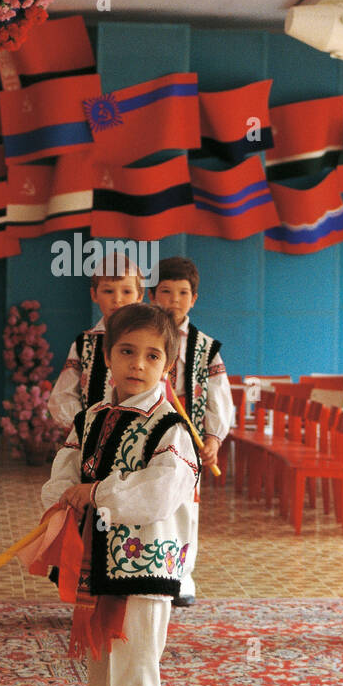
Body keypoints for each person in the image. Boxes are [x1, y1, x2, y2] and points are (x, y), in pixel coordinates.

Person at [40, 303, 199, 686]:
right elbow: (65, 469)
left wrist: (99, 493)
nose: (137, 363)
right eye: (127, 351)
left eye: (152, 356)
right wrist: (63, 495)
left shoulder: (171, 429)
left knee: (135, 672)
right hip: (98, 564)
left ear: (166, 368)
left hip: (145, 569)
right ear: (107, 356)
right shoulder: (91, 418)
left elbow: (157, 494)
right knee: (102, 668)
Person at [149, 255, 232, 607]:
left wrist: (212, 438)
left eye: (183, 293)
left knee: (185, 504)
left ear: (194, 298)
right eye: (166, 292)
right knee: (151, 498)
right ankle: (151, 568)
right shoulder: (142, 335)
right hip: (151, 427)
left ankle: (182, 576)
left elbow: (220, 398)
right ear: (153, 295)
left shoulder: (206, 346)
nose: (174, 300)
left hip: (187, 431)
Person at [47, 254, 145, 430]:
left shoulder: (149, 343)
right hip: (91, 439)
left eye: (126, 291)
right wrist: (85, 424)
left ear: (140, 295)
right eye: (108, 291)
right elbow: (61, 397)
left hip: (138, 435)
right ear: (94, 294)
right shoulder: (84, 343)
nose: (117, 299)